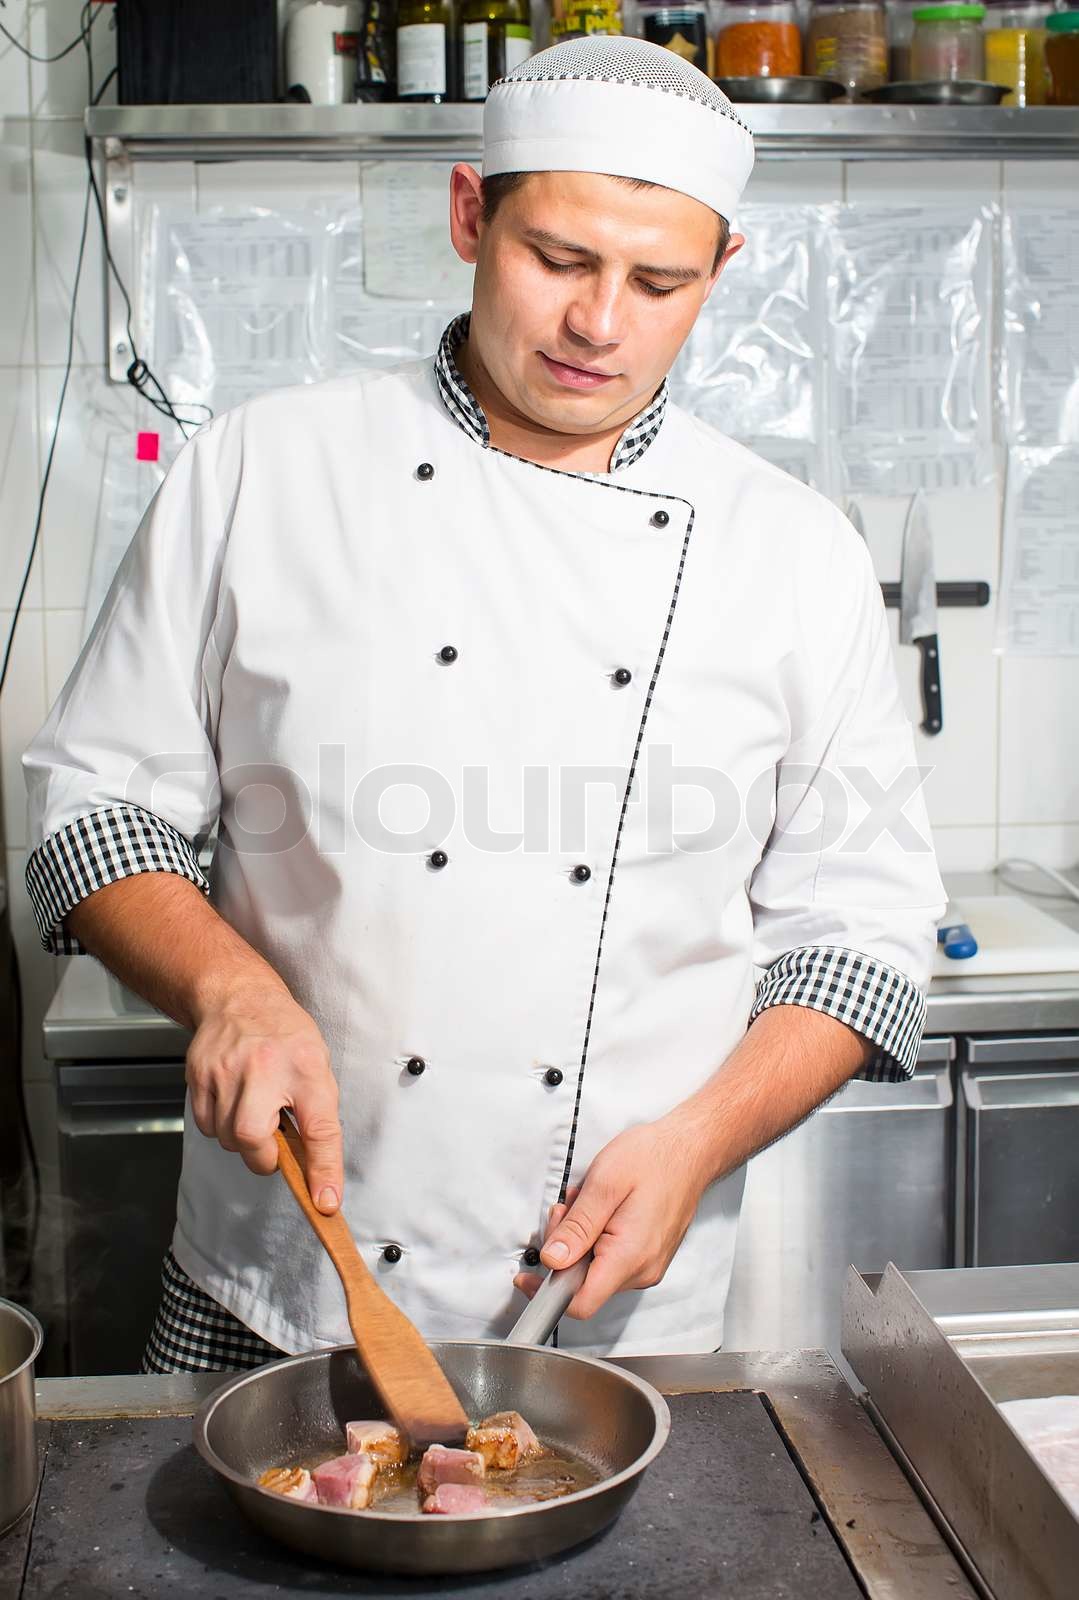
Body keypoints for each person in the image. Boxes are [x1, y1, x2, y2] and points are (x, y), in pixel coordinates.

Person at [24, 38, 944, 1370]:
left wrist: (701, 1138)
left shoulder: (796, 552)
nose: (600, 324)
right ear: (470, 214)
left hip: (622, 1313)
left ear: (721, 274)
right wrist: (228, 983)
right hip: (281, 1278)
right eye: (560, 260)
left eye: (659, 281)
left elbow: (861, 938)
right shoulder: (260, 475)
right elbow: (96, 811)